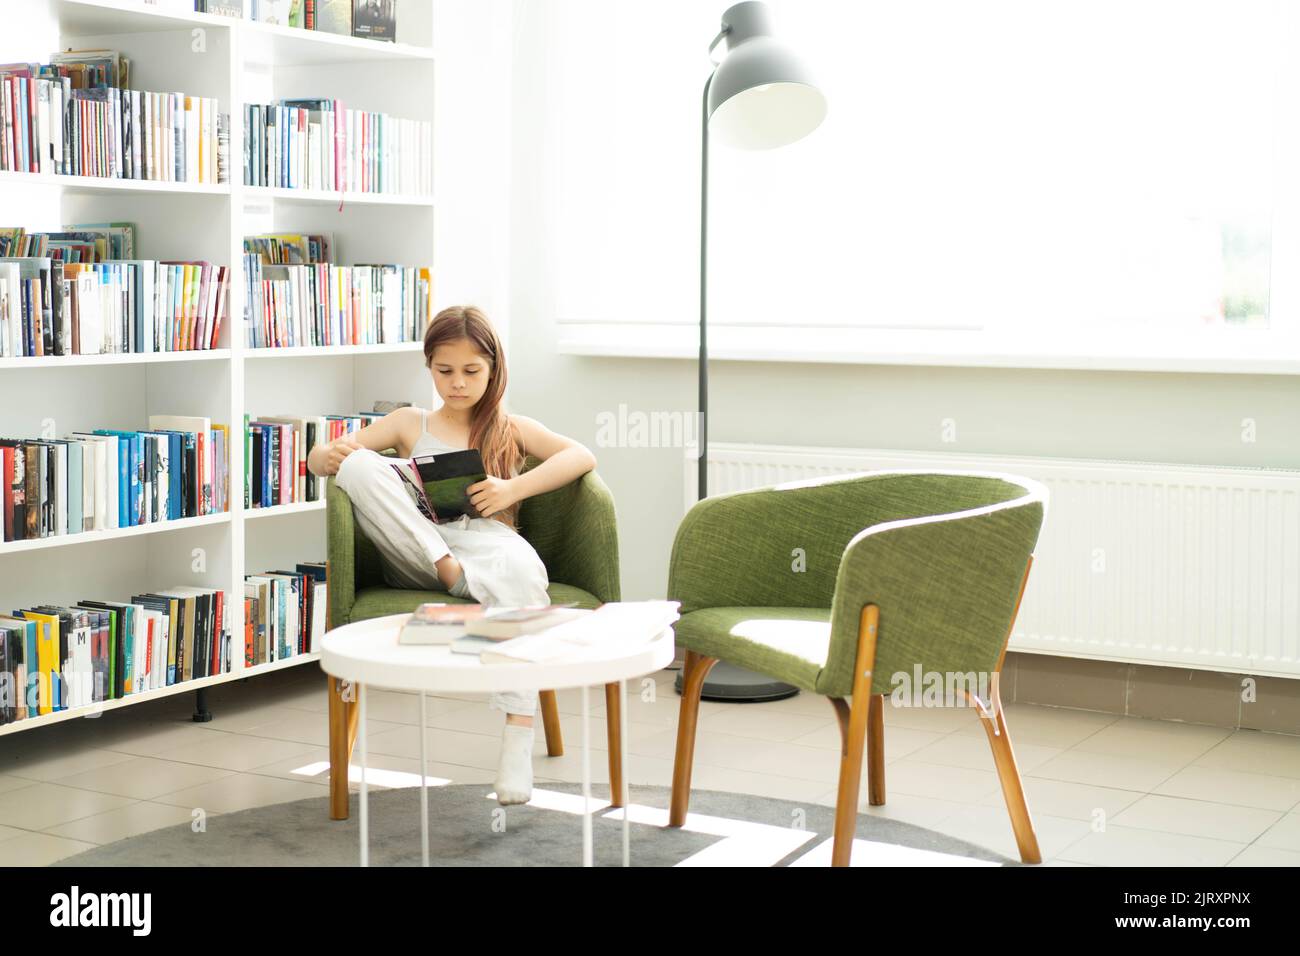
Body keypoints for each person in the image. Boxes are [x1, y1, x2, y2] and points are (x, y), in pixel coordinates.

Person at [306, 304, 597, 805]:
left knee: (523, 568)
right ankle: (448, 570)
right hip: (416, 547)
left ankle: (517, 737)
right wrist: (325, 455)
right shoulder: (407, 422)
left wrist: (510, 489)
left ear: (493, 370)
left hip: (482, 544)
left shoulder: (512, 427)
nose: (457, 383)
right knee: (359, 468)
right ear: (429, 368)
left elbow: (581, 455)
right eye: (444, 371)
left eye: (471, 371)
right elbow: (322, 459)